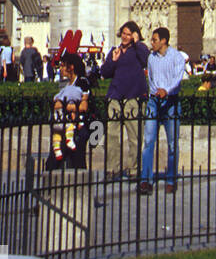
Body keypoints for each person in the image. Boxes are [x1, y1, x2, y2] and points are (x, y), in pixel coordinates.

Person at [140, 27, 185, 196]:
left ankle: (171, 179)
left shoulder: (176, 57)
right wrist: (155, 91)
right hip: (154, 101)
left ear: (164, 41)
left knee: (173, 143)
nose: (152, 43)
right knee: (149, 140)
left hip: (171, 101)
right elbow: (150, 78)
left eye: (154, 40)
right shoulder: (151, 58)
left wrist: (165, 90)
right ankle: (145, 179)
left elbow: (177, 77)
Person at [101, 21, 149, 178]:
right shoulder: (115, 51)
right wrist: (113, 61)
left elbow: (146, 60)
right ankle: (112, 168)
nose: (125, 36)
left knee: (134, 136)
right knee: (112, 136)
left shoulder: (138, 50)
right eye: (124, 33)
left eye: (129, 34)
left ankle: (134, 169)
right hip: (115, 96)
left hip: (133, 96)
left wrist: (138, 43)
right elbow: (105, 72)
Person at [47, 52, 91, 171]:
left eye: (63, 65)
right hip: (64, 127)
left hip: (77, 128)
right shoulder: (67, 84)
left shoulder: (82, 81)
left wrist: (67, 106)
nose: (60, 69)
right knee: (55, 160)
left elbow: (83, 106)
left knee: (77, 162)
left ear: (71, 67)